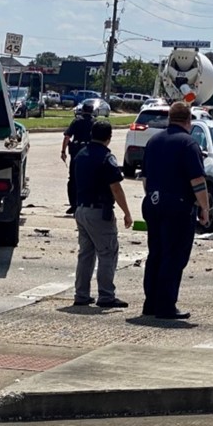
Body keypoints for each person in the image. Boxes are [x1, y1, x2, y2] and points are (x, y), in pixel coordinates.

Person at [140, 102, 211, 319]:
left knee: (156, 254)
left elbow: (145, 178)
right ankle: (166, 305)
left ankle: (150, 302)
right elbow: (197, 180)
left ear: (170, 118)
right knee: (174, 256)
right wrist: (205, 208)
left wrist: (154, 197)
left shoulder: (153, 141)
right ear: (189, 120)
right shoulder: (188, 144)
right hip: (178, 207)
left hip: (153, 203)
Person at [72, 120, 134, 308]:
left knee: (86, 254)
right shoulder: (106, 158)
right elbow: (115, 188)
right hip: (99, 211)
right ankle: (106, 295)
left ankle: (81, 294)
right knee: (107, 253)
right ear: (109, 137)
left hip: (81, 208)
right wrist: (127, 213)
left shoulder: (81, 154)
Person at [61, 105, 96, 214]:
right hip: (90, 155)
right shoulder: (95, 123)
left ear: (82, 111)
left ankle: (74, 204)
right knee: (89, 180)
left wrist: (63, 151)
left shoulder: (76, 121)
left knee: (73, 179)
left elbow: (67, 137)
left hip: (76, 154)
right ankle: (86, 204)